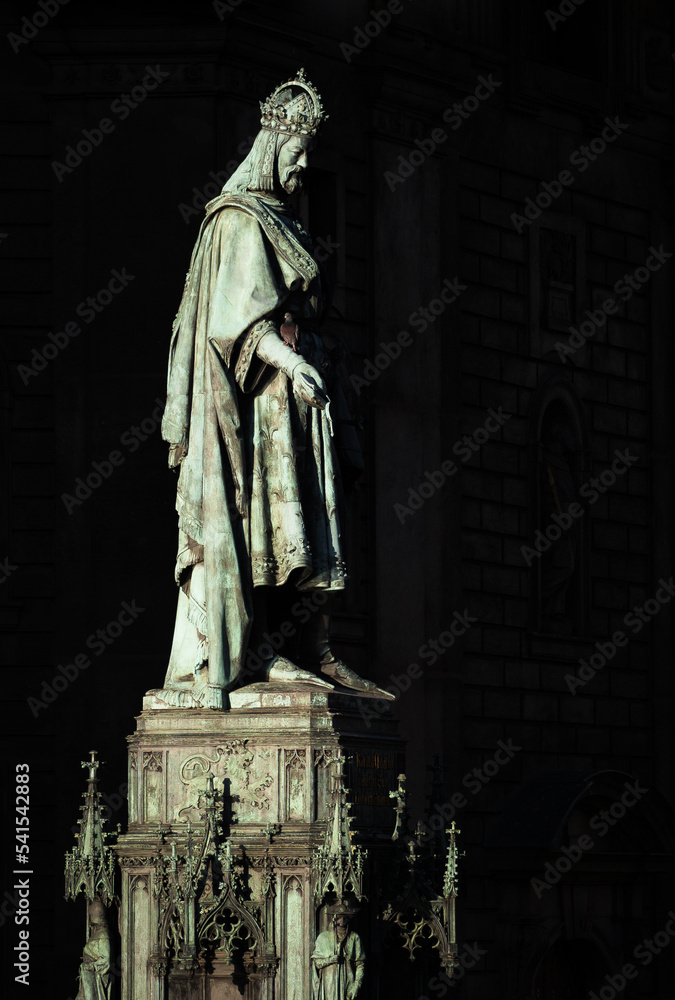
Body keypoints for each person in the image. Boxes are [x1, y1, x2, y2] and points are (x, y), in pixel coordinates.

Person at [152, 69, 392, 709]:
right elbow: (236, 318)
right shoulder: (238, 221)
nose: (305, 164)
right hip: (261, 402)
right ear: (271, 148)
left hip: (299, 400)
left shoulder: (283, 219)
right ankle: (258, 646)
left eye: (309, 153)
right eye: (296, 152)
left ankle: (309, 642)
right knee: (261, 518)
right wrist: (289, 359)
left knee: (304, 524)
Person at [311, 901, 365, 1000]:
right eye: (339, 916)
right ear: (333, 917)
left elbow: (360, 964)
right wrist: (329, 960)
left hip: (348, 984)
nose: (342, 919)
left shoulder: (354, 937)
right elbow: (316, 963)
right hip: (329, 986)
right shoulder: (323, 937)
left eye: (345, 916)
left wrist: (356, 986)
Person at [75, 898, 112, 1000]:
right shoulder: (98, 933)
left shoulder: (104, 935)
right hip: (89, 979)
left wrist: (91, 966)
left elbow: (106, 961)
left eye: (91, 915)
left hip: (95, 981)